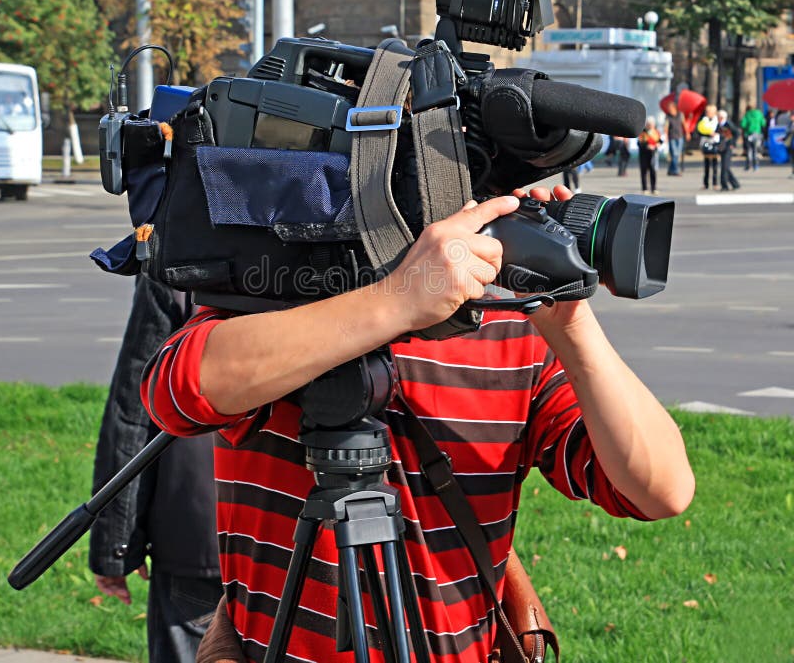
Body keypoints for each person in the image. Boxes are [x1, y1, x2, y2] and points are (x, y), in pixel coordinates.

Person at [140, 188, 695, 663]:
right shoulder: (287, 286)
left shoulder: (512, 329)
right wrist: (399, 300)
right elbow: (179, 390)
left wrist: (570, 321)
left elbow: (659, 490)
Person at [89, 274, 223, 662]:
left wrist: (116, 547)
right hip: (315, 525)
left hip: (197, 537)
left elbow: (135, 412)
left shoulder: (179, 248)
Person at [716, 109, 740, 191]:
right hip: (722, 147)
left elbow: (737, 133)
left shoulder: (728, 124)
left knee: (724, 167)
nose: (717, 118)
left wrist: (733, 143)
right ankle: (735, 184)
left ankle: (724, 185)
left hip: (728, 147)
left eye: (718, 117)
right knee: (726, 167)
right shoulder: (719, 125)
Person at [697, 104, 720, 189]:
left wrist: (715, 134)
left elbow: (720, 131)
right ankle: (705, 183)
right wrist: (708, 133)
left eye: (710, 112)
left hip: (715, 144)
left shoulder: (717, 121)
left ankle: (715, 183)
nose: (708, 113)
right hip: (706, 143)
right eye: (707, 112)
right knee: (706, 165)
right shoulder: (703, 120)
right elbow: (699, 131)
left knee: (715, 165)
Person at [637, 116, 662, 194]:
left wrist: (658, 144)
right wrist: (647, 146)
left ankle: (654, 188)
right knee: (644, 171)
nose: (650, 126)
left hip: (653, 154)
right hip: (644, 155)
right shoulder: (642, 132)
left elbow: (660, 141)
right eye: (649, 124)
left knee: (653, 171)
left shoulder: (655, 132)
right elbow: (639, 143)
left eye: (651, 124)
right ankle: (644, 188)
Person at [740, 103, 765, 172]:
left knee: (749, 150)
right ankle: (756, 165)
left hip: (749, 134)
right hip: (757, 133)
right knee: (755, 150)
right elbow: (763, 123)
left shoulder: (747, 114)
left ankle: (748, 165)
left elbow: (743, 124)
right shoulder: (759, 113)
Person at [664, 101, 686, 176]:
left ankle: (670, 170)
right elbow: (666, 128)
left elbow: (684, 124)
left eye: (670, 108)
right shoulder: (667, 116)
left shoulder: (680, 115)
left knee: (677, 154)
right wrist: (666, 137)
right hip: (672, 137)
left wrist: (688, 133)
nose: (669, 109)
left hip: (680, 136)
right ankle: (676, 170)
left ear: (674, 107)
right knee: (675, 154)